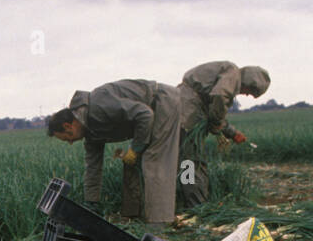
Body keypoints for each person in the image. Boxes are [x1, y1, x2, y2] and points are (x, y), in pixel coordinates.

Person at [48, 80, 180, 227]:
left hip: (162, 102)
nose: (71, 143)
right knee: (130, 162)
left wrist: (135, 149)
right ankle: (132, 215)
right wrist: (91, 203)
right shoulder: (90, 134)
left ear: (69, 126)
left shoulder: (98, 106)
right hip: (145, 117)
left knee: (154, 160)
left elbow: (145, 114)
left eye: (68, 139)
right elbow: (93, 168)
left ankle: (159, 222)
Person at [177, 62, 270, 207]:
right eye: (249, 91)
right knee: (191, 162)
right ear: (248, 80)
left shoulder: (222, 79)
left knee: (186, 161)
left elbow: (215, 109)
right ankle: (196, 206)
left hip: (185, 110)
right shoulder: (233, 74)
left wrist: (232, 133)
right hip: (188, 115)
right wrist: (215, 124)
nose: (245, 94)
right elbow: (220, 97)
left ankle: (185, 200)